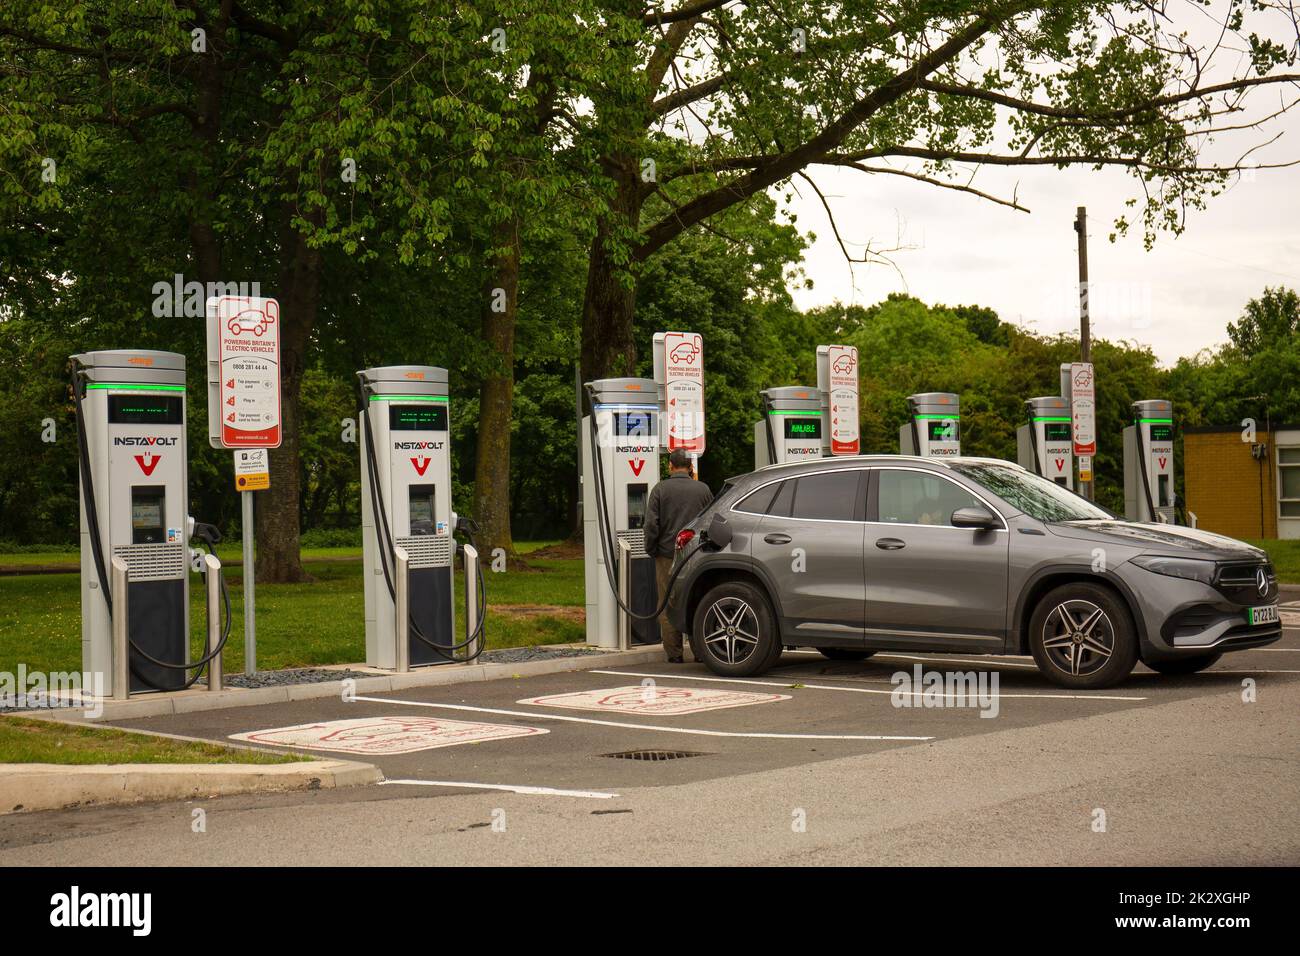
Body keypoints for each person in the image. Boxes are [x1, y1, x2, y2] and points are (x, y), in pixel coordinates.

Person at [643, 449, 714, 662]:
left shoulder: (660, 490)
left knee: (667, 603)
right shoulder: (703, 490)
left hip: (666, 555)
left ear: (670, 466)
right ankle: (700, 652)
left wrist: (651, 548)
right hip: (696, 554)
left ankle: (674, 654)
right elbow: (711, 519)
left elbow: (651, 524)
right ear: (691, 466)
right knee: (696, 599)